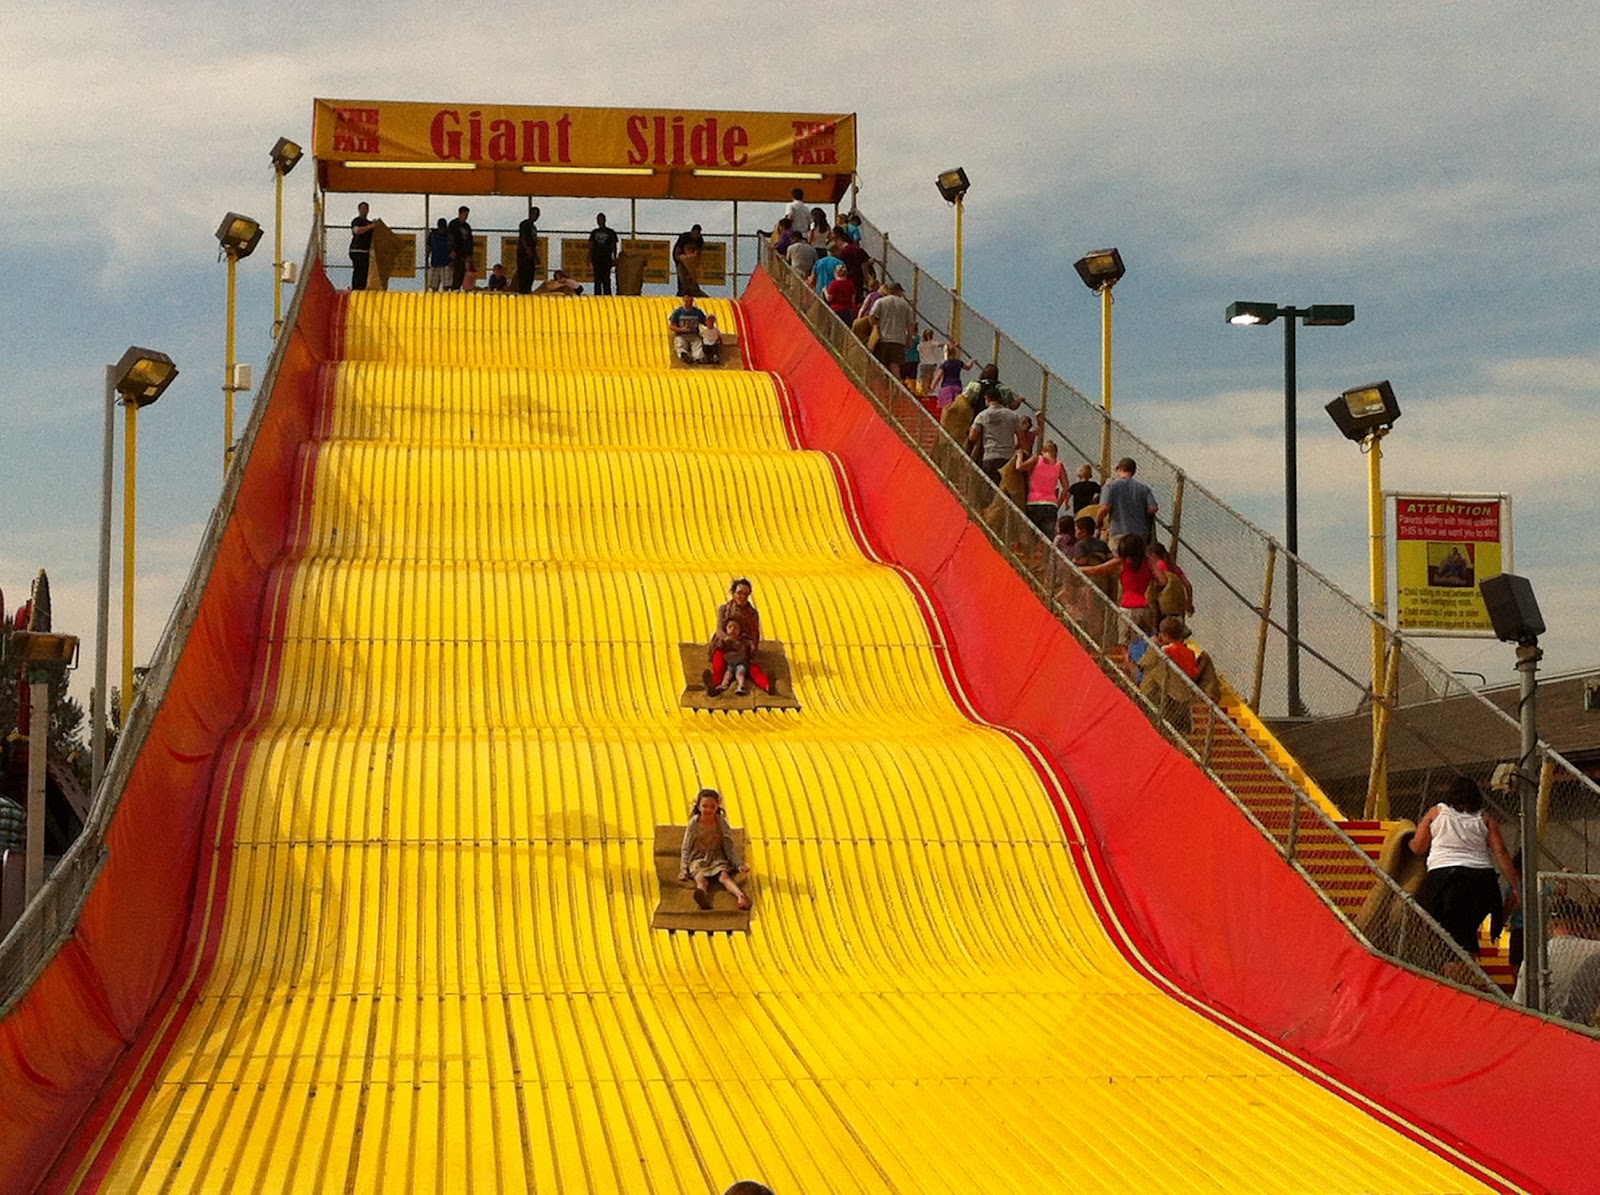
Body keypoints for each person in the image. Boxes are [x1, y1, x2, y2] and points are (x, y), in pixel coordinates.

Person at [1410, 775, 1520, 962]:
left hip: (1446, 879)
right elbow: (1500, 852)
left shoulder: (1437, 812)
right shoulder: (1485, 819)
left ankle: (1457, 979)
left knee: (1452, 940)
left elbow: (1418, 847)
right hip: (1481, 881)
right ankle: (1465, 975)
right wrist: (1516, 886)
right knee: (1466, 933)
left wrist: (1408, 840)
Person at [1514, 898, 1600, 1024]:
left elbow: (1519, 1001)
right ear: (1581, 923)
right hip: (1584, 1025)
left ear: (1550, 925)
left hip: (1545, 1023)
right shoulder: (1595, 949)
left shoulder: (1538, 955)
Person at [678, 789, 751, 911]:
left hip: (717, 857)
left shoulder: (721, 823)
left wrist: (738, 865)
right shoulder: (694, 823)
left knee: (724, 876)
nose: (708, 810)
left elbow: (729, 846)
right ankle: (702, 895)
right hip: (698, 857)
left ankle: (741, 896)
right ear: (698, 806)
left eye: (712, 806)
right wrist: (683, 869)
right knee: (701, 878)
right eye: (704, 806)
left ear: (718, 807)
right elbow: (686, 846)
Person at [702, 578, 777, 695]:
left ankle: (767, 686)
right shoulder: (724, 609)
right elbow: (719, 630)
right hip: (724, 644)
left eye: (745, 594)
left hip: (743, 647)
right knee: (719, 664)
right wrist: (729, 640)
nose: (742, 596)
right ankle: (714, 686)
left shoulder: (752, 614)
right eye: (739, 593)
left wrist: (748, 646)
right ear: (733, 593)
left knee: (754, 669)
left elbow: (754, 634)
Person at [1078, 533, 1165, 624]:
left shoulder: (1120, 563)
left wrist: (1076, 568)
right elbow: (1162, 581)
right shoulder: (1147, 562)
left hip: (1127, 607)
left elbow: (1096, 570)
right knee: (1143, 637)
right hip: (1144, 607)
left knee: (1125, 637)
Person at [966, 387, 1025, 487]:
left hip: (990, 456)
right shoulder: (1013, 415)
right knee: (1006, 488)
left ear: (988, 398)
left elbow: (972, 436)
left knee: (990, 489)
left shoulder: (982, 415)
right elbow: (1021, 438)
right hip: (1008, 457)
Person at [1097, 457, 1158, 549]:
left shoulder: (1110, 486)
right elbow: (1153, 508)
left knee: (1119, 559)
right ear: (1133, 471)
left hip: (1119, 533)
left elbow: (1105, 507)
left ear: (1119, 469)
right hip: (1140, 534)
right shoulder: (1144, 488)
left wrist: (1099, 520)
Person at [1017, 439, 1067, 537]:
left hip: (1034, 502)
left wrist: (1019, 456)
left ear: (1043, 451)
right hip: (1051, 504)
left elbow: (1019, 467)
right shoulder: (1059, 465)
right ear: (1056, 452)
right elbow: (1066, 487)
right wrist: (1058, 503)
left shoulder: (1037, 459)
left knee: (1031, 535)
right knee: (1047, 538)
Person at [869, 281, 914, 376]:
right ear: (897, 291)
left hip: (882, 338)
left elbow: (872, 316)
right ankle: (895, 388)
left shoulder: (881, 302)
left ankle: (878, 387)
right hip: (899, 340)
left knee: (879, 365)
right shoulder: (905, 305)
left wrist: (876, 327)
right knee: (895, 365)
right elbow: (910, 324)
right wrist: (910, 338)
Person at [708, 618, 756, 696]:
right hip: (730, 664)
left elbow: (751, 646)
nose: (733, 629)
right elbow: (718, 646)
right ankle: (723, 685)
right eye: (730, 627)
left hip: (741, 662)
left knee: (739, 673)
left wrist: (751, 646)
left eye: (735, 627)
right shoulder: (725, 641)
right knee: (727, 675)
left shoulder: (743, 640)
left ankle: (741, 686)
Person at [933, 344, 975, 409]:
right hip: (957, 385)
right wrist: (972, 361)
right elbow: (968, 367)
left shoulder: (945, 364)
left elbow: (938, 377)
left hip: (946, 386)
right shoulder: (959, 363)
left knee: (946, 407)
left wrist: (933, 386)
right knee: (956, 407)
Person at [588, 213, 620, 295]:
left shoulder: (610, 232)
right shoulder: (594, 232)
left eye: (601, 220)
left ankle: (607, 295)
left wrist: (614, 258)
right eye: (598, 220)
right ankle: (597, 296)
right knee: (597, 279)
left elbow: (614, 246)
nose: (600, 221)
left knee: (606, 278)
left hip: (606, 258)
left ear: (605, 220)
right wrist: (589, 257)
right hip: (596, 258)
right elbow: (591, 246)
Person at [669, 296, 708, 363]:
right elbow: (671, 326)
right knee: (680, 343)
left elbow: (705, 322)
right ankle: (684, 355)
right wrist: (681, 329)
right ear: (684, 300)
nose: (688, 303)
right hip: (681, 335)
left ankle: (698, 358)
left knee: (697, 343)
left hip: (694, 335)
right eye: (687, 301)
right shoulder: (678, 312)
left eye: (690, 301)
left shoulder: (698, 312)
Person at [514, 204, 541, 293]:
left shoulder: (534, 227)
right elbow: (523, 238)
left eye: (537, 215)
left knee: (531, 273)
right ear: (530, 214)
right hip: (524, 253)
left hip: (531, 254)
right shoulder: (525, 224)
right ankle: (523, 290)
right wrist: (527, 250)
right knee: (523, 272)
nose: (536, 216)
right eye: (534, 214)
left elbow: (534, 242)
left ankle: (528, 289)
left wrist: (536, 255)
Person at [349, 201, 375, 290]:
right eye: (362, 209)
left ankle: (363, 288)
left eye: (366, 209)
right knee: (358, 270)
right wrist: (370, 227)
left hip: (366, 251)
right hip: (357, 250)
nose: (364, 211)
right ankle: (356, 288)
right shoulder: (357, 221)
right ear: (359, 210)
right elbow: (357, 230)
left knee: (365, 271)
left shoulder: (369, 222)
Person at [674, 223, 706, 296]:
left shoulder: (700, 240)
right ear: (692, 232)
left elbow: (699, 253)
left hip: (691, 260)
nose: (696, 236)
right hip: (681, 258)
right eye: (695, 234)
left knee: (691, 279)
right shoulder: (684, 237)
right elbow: (677, 251)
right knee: (682, 277)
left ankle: (692, 290)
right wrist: (679, 259)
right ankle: (682, 292)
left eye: (697, 234)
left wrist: (695, 262)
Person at [448, 205, 474, 291]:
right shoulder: (453, 224)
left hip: (464, 253)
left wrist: (469, 254)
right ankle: (454, 288)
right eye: (464, 214)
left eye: (467, 214)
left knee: (462, 271)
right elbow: (450, 238)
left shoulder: (467, 227)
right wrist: (451, 250)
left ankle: (458, 288)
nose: (466, 216)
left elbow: (469, 241)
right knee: (455, 272)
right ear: (460, 214)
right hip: (456, 252)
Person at [424, 218, 452, 292]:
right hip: (435, 264)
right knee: (434, 286)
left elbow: (453, 250)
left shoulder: (449, 236)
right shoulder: (433, 235)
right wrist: (426, 259)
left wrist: (452, 261)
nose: (442, 229)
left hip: (446, 264)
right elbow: (429, 248)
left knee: (446, 286)